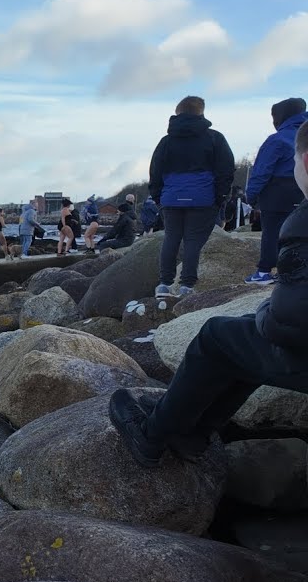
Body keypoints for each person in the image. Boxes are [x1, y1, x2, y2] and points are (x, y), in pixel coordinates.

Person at [109, 121, 308, 469]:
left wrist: (265, 314)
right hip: (201, 200)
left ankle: (152, 434)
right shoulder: (214, 141)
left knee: (217, 336)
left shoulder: (303, 224)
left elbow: (290, 323)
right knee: (242, 338)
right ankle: (191, 432)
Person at [149, 95, 236, 298]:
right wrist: (220, 196)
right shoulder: (215, 138)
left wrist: (158, 198)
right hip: (203, 199)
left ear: (177, 113)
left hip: (171, 198)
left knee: (171, 239)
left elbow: (155, 171)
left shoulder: (166, 141)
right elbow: (226, 170)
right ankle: (187, 286)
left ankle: (164, 284)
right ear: (202, 112)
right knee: (193, 242)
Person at [244, 97, 308, 284]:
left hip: (278, 190)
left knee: (272, 231)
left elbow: (262, 170)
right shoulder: (303, 135)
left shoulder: (276, 139)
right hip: (302, 189)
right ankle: (296, 268)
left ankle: (264, 272)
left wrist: (251, 195)